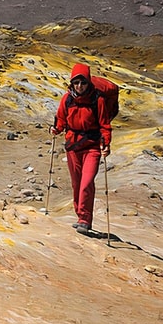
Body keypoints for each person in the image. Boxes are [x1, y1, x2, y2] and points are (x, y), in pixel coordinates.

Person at [51, 63, 118, 235]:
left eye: (83, 83)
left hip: (92, 147)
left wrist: (106, 144)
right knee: (76, 183)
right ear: (72, 84)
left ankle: (85, 220)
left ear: (88, 83)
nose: (80, 86)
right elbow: (61, 119)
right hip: (73, 147)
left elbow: (105, 125)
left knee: (86, 182)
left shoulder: (98, 100)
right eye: (76, 83)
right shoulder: (67, 99)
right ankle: (79, 214)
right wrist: (56, 129)